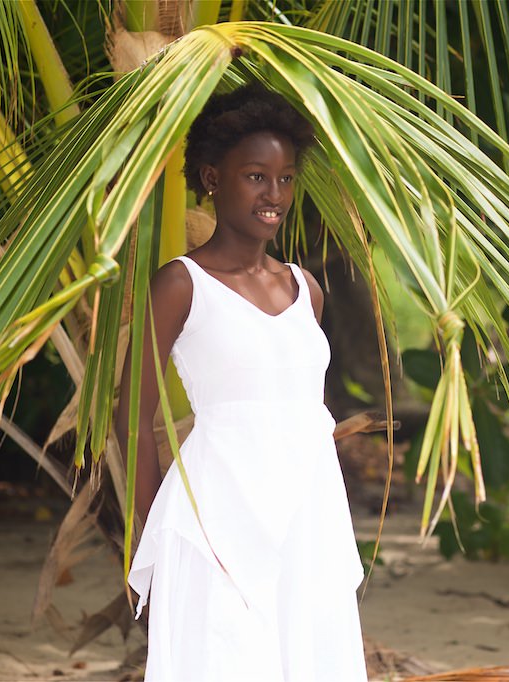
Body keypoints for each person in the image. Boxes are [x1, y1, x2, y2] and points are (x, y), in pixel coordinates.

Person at [116, 84, 368, 681]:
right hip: (214, 518)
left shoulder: (307, 290)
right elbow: (134, 419)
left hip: (308, 518)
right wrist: (144, 529)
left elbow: (304, 413)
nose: (273, 194)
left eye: (284, 178)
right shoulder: (180, 284)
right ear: (212, 176)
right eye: (256, 176)